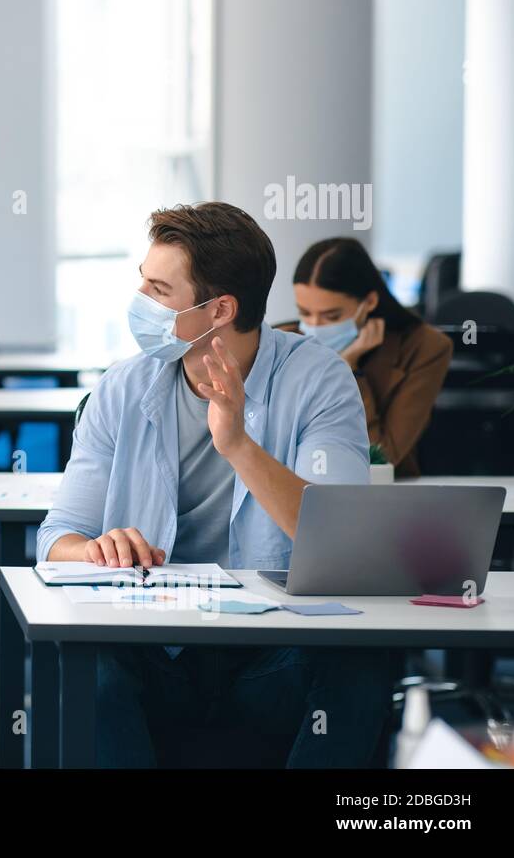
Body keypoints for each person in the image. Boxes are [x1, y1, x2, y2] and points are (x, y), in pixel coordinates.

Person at [38, 203, 394, 768]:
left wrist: (238, 446)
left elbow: (340, 541)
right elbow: (58, 536)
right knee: (89, 666)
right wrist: (94, 548)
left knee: (360, 665)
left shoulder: (320, 380)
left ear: (219, 309)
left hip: (269, 655)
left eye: (158, 290)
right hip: (156, 647)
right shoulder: (122, 389)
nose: (141, 304)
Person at [281, 237, 452, 478]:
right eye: (305, 313)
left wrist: (347, 369)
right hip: (293, 486)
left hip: (383, 495)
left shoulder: (424, 347)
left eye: (331, 316)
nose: (314, 326)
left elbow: (381, 455)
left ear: (369, 302)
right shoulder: (286, 341)